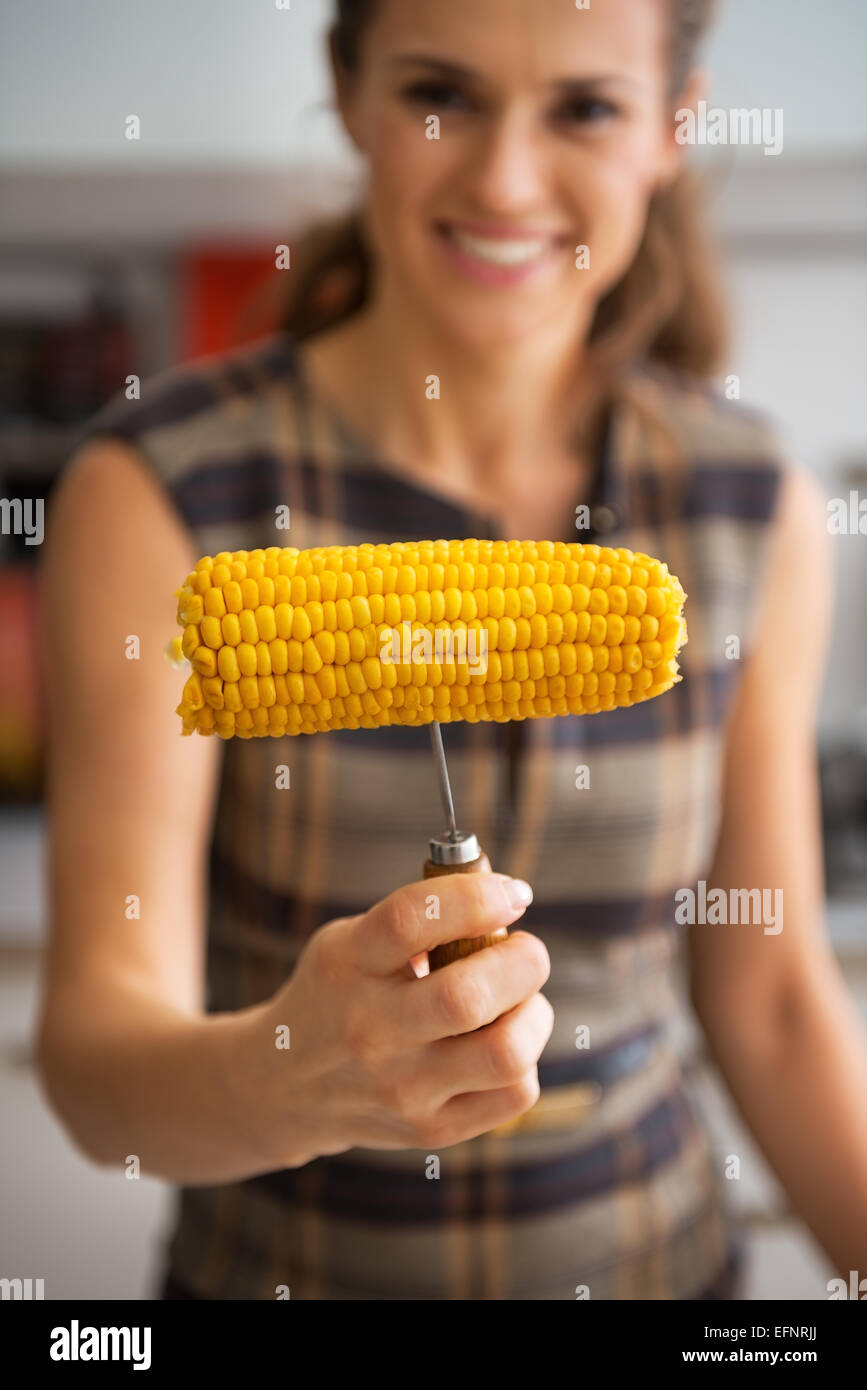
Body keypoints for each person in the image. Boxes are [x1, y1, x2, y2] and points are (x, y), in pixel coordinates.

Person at [38, 0, 867, 1300]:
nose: (504, 178)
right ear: (352, 96)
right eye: (442, 93)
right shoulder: (156, 494)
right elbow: (95, 1065)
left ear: (672, 128)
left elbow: (768, 1002)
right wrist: (290, 1069)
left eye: (584, 106)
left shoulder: (751, 501)